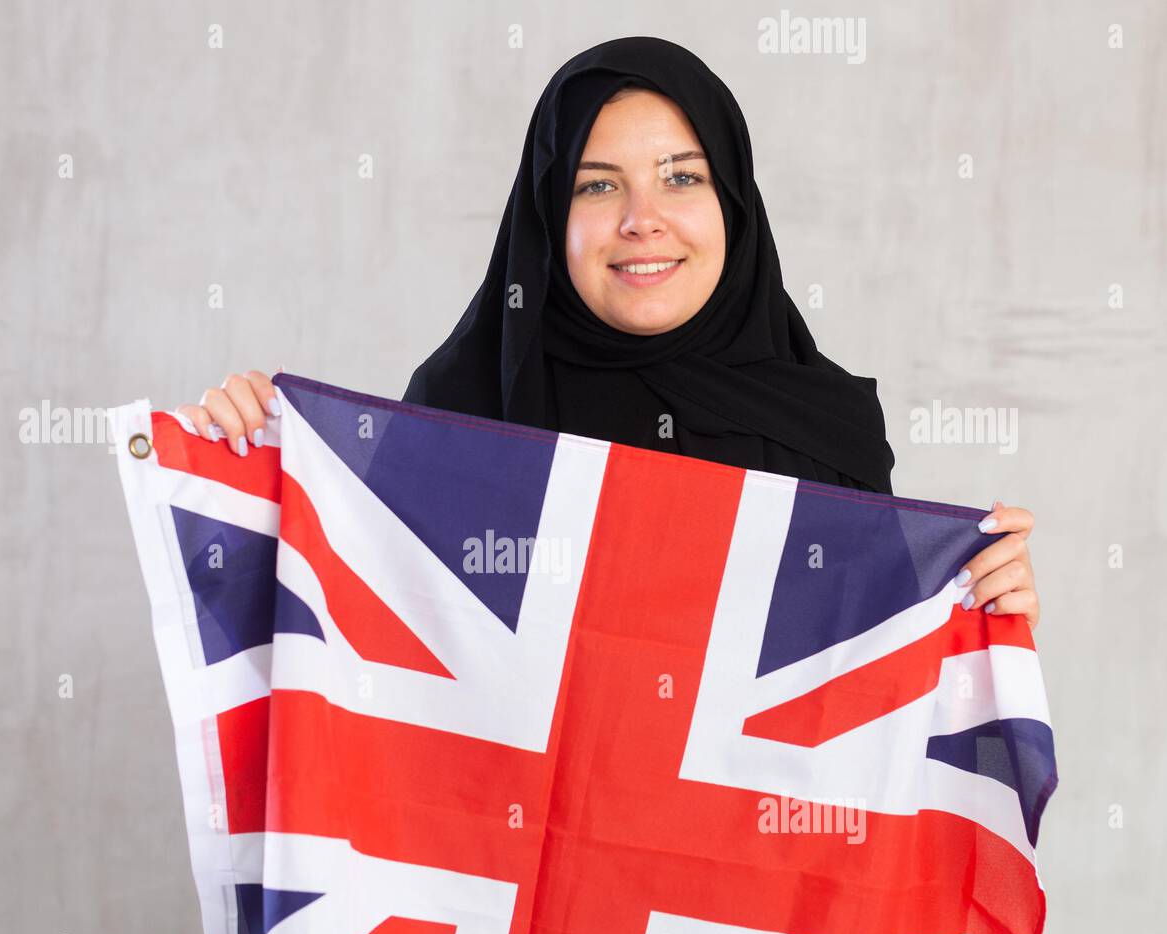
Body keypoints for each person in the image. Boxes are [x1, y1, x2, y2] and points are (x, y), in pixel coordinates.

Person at [172, 36, 1040, 628]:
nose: (642, 220)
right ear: (548, 221)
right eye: (596, 186)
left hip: (741, 897)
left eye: (681, 177)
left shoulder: (831, 431)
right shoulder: (459, 417)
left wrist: (978, 618)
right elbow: (357, 650)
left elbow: (871, 712)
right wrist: (254, 480)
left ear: (733, 203)